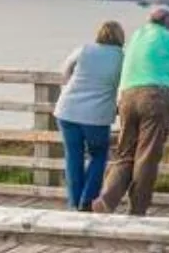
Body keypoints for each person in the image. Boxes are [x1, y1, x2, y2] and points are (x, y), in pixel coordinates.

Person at [94, 6, 169, 216]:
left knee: (125, 154)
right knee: (147, 156)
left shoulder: (136, 36)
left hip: (127, 97)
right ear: (167, 21)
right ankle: (137, 209)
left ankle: (107, 200)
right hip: (154, 97)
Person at [53, 20, 125, 210]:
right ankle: (87, 201)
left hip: (68, 110)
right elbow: (124, 83)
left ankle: (74, 202)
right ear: (120, 37)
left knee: (73, 157)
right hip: (96, 115)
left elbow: (65, 71)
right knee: (98, 155)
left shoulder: (84, 49)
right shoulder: (122, 57)